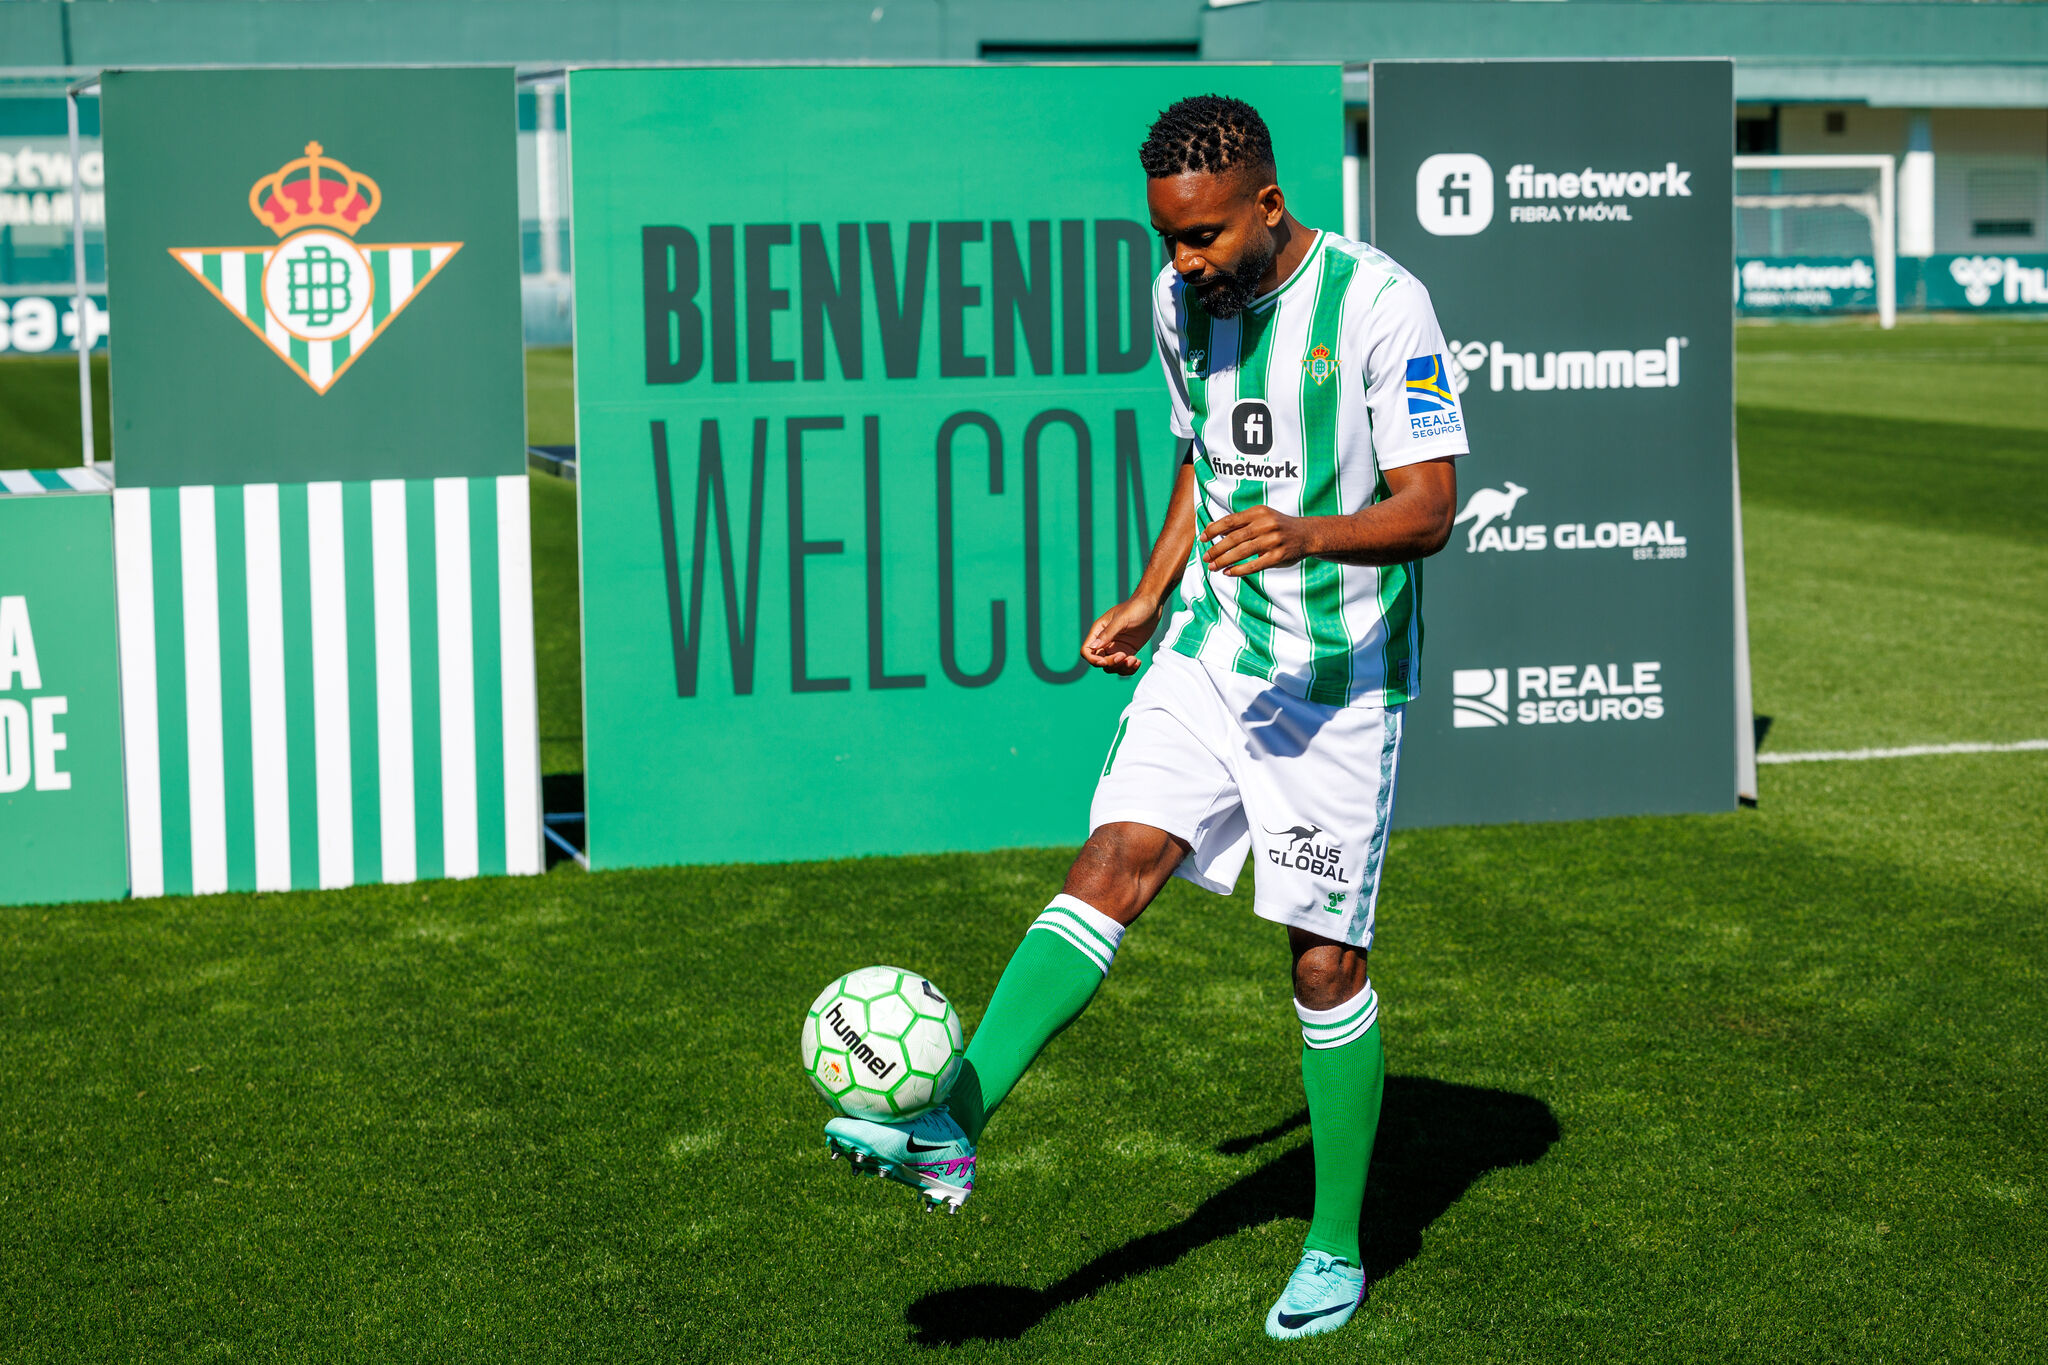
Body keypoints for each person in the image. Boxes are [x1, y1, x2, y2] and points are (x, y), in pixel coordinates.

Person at [824, 94, 1468, 1342]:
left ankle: (1335, 1247)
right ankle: (952, 1122)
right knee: (1113, 861)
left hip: (1335, 686)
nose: (1180, 267)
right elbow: (1200, 454)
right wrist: (1150, 584)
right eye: (1166, 240)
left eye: (1203, 240)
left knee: (1323, 963)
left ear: (1267, 208)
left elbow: (1432, 504)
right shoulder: (1182, 304)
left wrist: (1309, 532)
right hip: (1210, 649)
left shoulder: (1383, 305)